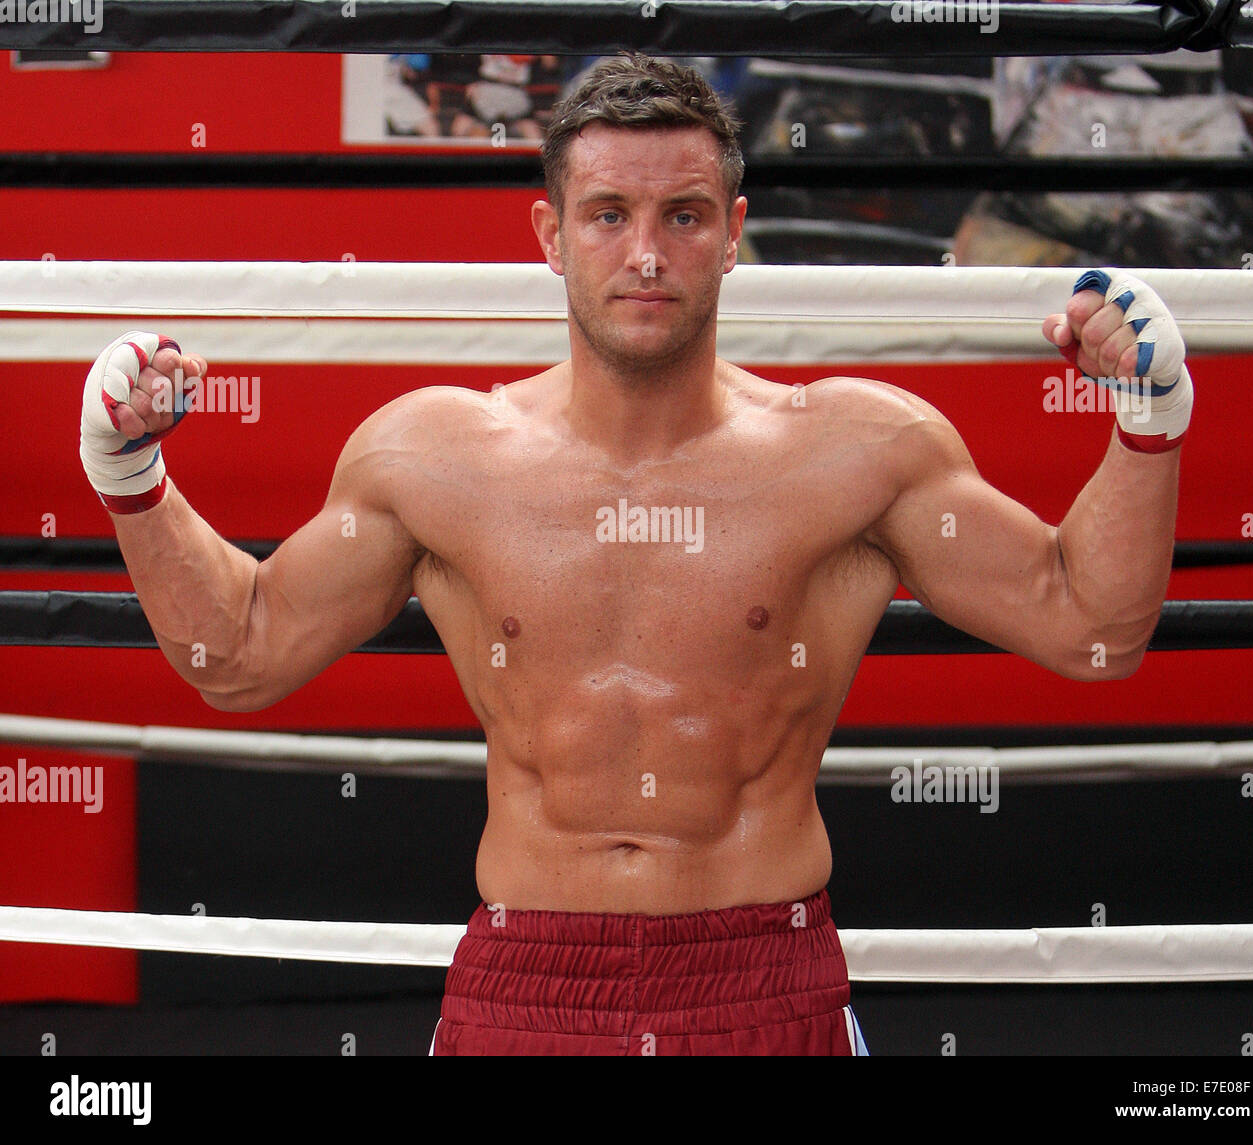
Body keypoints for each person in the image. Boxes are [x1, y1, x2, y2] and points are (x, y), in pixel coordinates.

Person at [77, 55, 1192, 1055]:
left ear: (735, 228)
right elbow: (243, 652)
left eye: (685, 215)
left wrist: (1148, 420)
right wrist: (134, 478)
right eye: (607, 214)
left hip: (765, 977)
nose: (646, 253)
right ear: (550, 234)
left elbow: (1090, 628)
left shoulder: (860, 450)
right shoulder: (432, 454)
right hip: (527, 985)